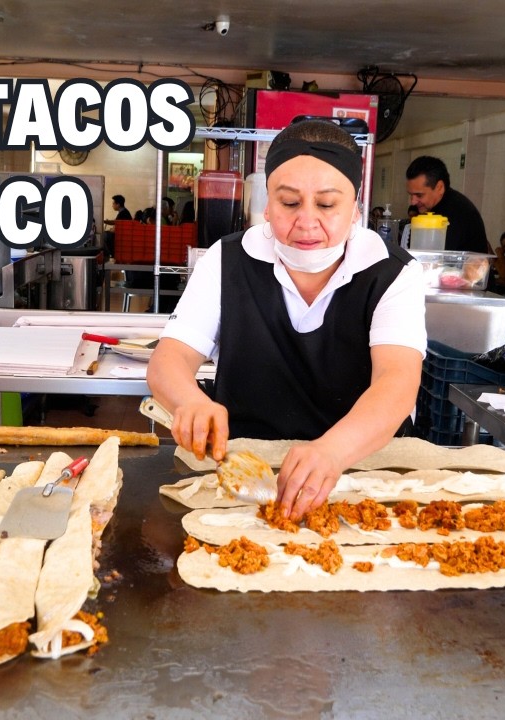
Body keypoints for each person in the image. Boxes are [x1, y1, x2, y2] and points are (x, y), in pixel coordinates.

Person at [149, 119, 427, 520]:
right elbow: (169, 359)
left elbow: (397, 381)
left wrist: (332, 451)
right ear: (267, 204)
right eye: (290, 203)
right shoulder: (227, 260)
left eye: (328, 205)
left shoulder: (392, 272)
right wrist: (190, 400)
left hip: (363, 472)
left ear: (355, 208)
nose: (308, 222)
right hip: (246, 474)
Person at [404, 156, 490, 253]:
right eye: (411, 195)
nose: (413, 201)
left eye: (419, 195)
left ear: (439, 187)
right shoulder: (436, 207)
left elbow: (436, 259)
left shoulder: (457, 212)